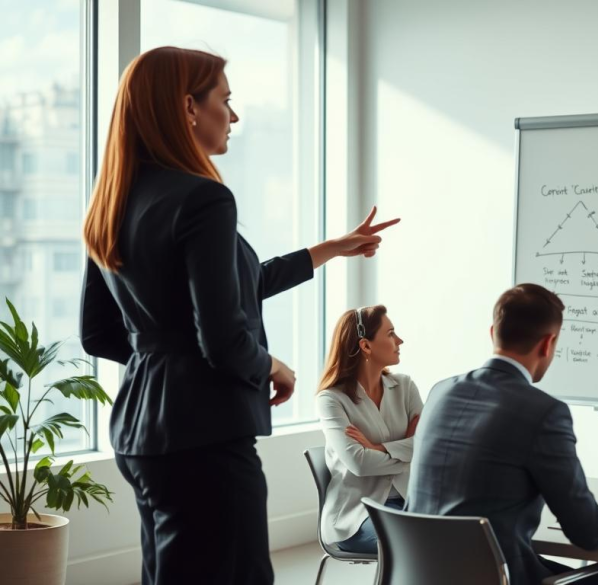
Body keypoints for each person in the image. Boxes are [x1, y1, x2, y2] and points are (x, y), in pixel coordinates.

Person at [79, 47, 398, 585]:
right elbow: (224, 338)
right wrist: (272, 365)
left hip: (140, 433)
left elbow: (98, 334)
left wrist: (328, 249)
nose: (234, 115)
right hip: (205, 437)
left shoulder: (113, 201)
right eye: (224, 100)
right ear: (188, 107)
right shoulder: (204, 198)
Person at [407, 283, 598, 585]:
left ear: (493, 333)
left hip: (420, 572)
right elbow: (588, 532)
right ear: (548, 343)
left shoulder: (440, 392)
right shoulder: (543, 412)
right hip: (494, 576)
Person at [316, 305, 423, 553]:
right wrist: (408, 451)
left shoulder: (405, 386)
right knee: (417, 545)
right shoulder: (331, 399)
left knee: (461, 536)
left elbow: (428, 447)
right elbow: (360, 464)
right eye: (391, 334)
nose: (400, 340)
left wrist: (377, 448)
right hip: (358, 515)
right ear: (365, 345)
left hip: (410, 503)